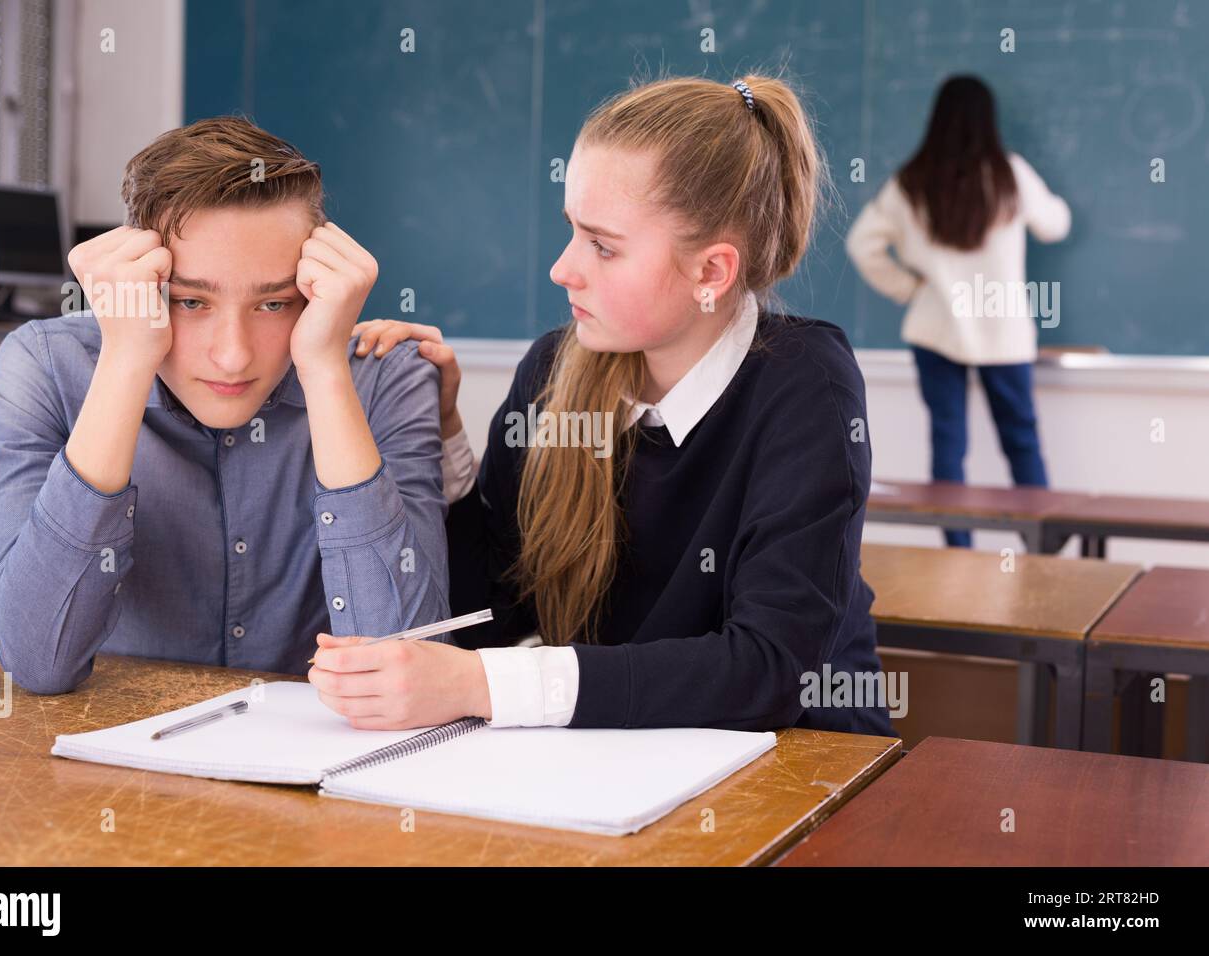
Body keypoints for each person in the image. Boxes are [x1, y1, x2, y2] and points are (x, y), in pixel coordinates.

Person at [323, 74, 897, 737]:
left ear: (712, 272)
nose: (562, 269)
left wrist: (478, 685)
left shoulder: (805, 387)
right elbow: (490, 617)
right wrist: (442, 435)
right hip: (619, 769)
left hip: (803, 771)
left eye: (603, 245)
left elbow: (765, 672)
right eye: (572, 230)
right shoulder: (552, 371)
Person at [0, 116, 453, 697]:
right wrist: (126, 362)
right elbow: (37, 662)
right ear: (144, 282)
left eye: (274, 304)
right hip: (115, 768)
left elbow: (410, 663)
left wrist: (327, 371)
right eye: (190, 301)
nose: (232, 358)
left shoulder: (386, 375)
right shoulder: (47, 368)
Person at [846, 75, 1071, 548]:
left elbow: (861, 244)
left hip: (936, 328)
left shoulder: (911, 181)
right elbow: (1055, 225)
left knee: (948, 445)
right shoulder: (1009, 174)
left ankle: (959, 554)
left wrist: (911, 289)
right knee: (1022, 442)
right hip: (1004, 332)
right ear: (989, 120)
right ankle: (1043, 551)